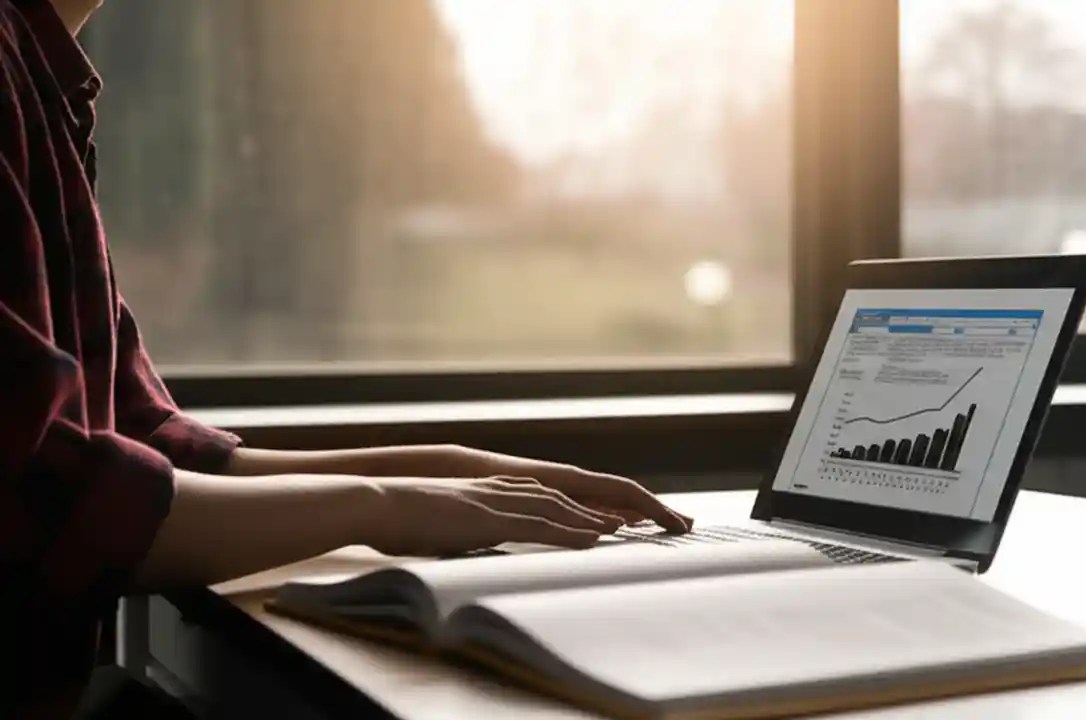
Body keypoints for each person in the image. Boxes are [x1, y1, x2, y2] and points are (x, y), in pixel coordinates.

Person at [0, 0, 693, 716]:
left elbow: (149, 450)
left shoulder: (39, 75)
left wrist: (446, 470)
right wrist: (382, 506)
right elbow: (48, 496)